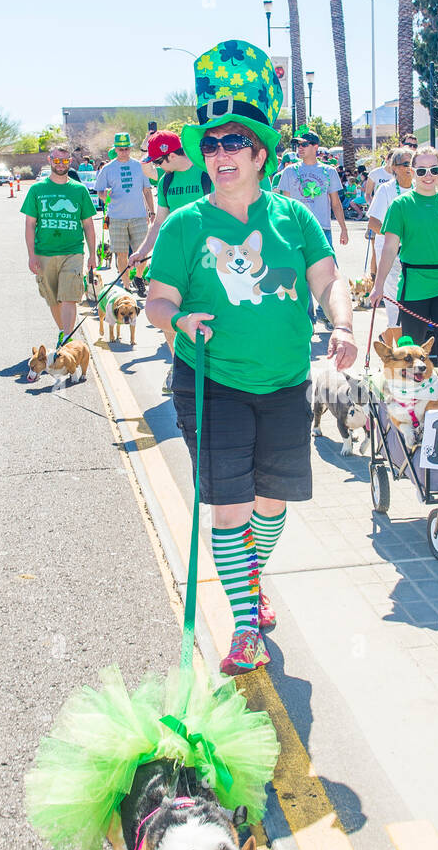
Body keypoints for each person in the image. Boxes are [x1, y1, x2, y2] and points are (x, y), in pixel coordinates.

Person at [146, 40, 356, 676]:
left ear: (261, 152)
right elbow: (157, 301)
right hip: (212, 384)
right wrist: (175, 318)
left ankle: (249, 576)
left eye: (233, 141)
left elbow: (328, 278)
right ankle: (244, 625)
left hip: (287, 382)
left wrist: (342, 324)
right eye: (210, 144)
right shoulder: (186, 223)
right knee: (229, 508)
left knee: (272, 506)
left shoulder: (293, 218)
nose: (219, 154)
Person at [369, 145, 438, 366]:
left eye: (434, 169)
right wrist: (378, 285)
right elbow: (390, 249)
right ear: (412, 171)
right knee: (413, 355)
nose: (428, 176)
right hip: (413, 287)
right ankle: (413, 399)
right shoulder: (400, 205)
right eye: (421, 170)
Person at [129, 132, 211, 395]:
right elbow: (159, 222)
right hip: (174, 257)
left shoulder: (205, 173)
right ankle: (180, 366)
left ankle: (210, 372)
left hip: (205, 260)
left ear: (171, 155)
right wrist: (141, 252)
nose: (156, 167)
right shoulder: (166, 181)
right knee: (168, 318)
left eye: (158, 161)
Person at [22, 143, 97, 346]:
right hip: (44, 252)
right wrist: (31, 255)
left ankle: (67, 339)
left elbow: (88, 224)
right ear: (50, 161)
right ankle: (63, 332)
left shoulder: (79, 190)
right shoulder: (37, 190)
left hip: (72, 251)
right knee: (53, 299)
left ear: (70, 162)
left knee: (69, 297)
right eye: (57, 160)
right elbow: (30, 224)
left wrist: (92, 254)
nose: (61, 164)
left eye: (64, 161)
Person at [276, 129, 348, 323]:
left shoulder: (328, 171)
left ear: (315, 147)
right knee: (300, 272)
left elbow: (335, 203)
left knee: (329, 272)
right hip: (296, 230)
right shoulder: (289, 171)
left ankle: (328, 312)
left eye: (304, 144)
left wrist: (343, 228)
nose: (300, 148)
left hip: (322, 229)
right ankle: (308, 317)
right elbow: (285, 203)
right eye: (297, 145)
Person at [95, 133, 154, 291]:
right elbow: (99, 191)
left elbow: (147, 190)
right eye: (120, 149)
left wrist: (152, 212)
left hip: (139, 216)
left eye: (126, 149)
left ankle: (138, 277)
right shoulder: (108, 169)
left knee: (142, 252)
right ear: (115, 149)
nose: (124, 152)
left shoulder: (139, 166)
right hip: (117, 217)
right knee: (121, 254)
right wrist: (104, 194)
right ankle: (126, 286)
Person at [367, 147, 413, 325]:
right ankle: (394, 333)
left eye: (412, 164)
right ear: (395, 167)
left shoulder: (421, 188)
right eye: (406, 164)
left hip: (414, 252)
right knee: (394, 298)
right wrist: (398, 237)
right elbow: (374, 223)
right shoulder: (385, 190)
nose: (410, 168)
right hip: (390, 251)